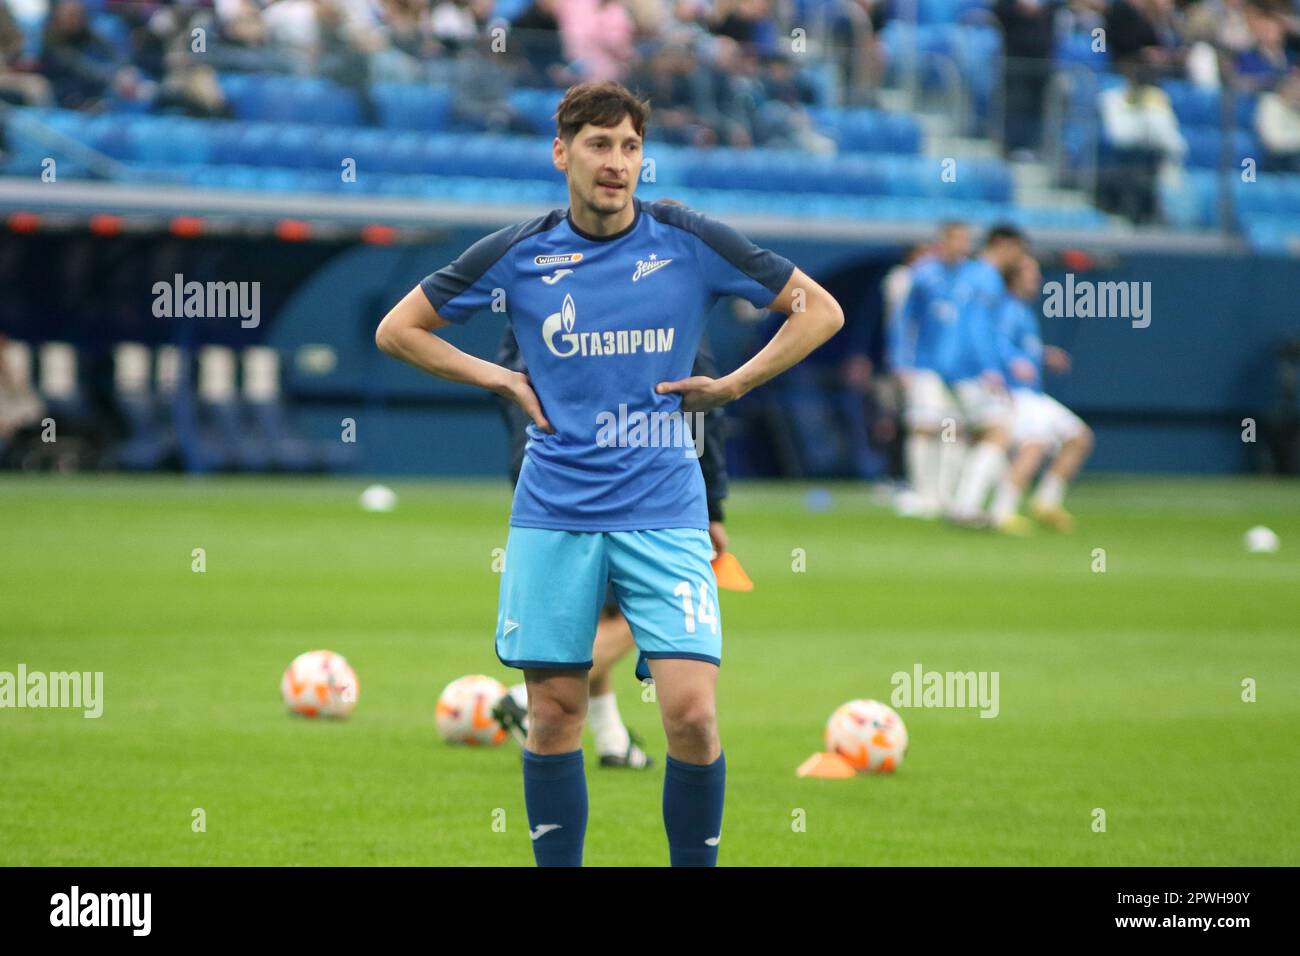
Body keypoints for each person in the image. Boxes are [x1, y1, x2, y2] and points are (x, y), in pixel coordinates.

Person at [375, 80, 843, 867]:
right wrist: (498, 379)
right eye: (597, 144)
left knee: (691, 715)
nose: (616, 162)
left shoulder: (687, 239)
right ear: (562, 153)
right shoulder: (520, 253)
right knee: (555, 712)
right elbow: (399, 329)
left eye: (629, 146)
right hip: (554, 510)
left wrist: (733, 385)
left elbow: (818, 309)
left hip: (666, 511)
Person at [489, 270, 732, 769]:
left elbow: (504, 379)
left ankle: (611, 740)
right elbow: (701, 410)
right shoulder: (674, 300)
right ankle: (525, 697)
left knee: (592, 614)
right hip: (635, 488)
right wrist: (712, 506)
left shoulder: (544, 276)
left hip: (542, 475)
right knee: (647, 612)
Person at [989, 255, 1094, 532]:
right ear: (1015, 278)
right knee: (1034, 445)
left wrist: (1042, 354)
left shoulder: (1023, 311)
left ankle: (1046, 502)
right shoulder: (1005, 308)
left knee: (1079, 437)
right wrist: (1013, 360)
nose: (1037, 279)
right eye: (1031, 274)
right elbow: (993, 341)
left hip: (1034, 394)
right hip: (1016, 394)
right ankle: (1001, 511)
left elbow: (1019, 345)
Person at [888, 222, 973, 518]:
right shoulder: (923, 274)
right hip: (924, 365)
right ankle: (921, 492)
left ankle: (946, 494)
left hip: (960, 370)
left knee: (954, 430)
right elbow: (904, 321)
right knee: (923, 426)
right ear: (943, 241)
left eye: (966, 240)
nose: (963, 246)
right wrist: (901, 362)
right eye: (957, 239)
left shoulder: (972, 276)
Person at [946, 224, 1029, 529]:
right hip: (971, 368)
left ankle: (961, 503)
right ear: (1004, 245)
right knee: (999, 431)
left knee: (978, 435)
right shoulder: (987, 277)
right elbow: (977, 326)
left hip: (955, 364)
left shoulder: (967, 273)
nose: (1020, 259)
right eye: (1018, 250)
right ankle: (965, 506)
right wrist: (991, 368)